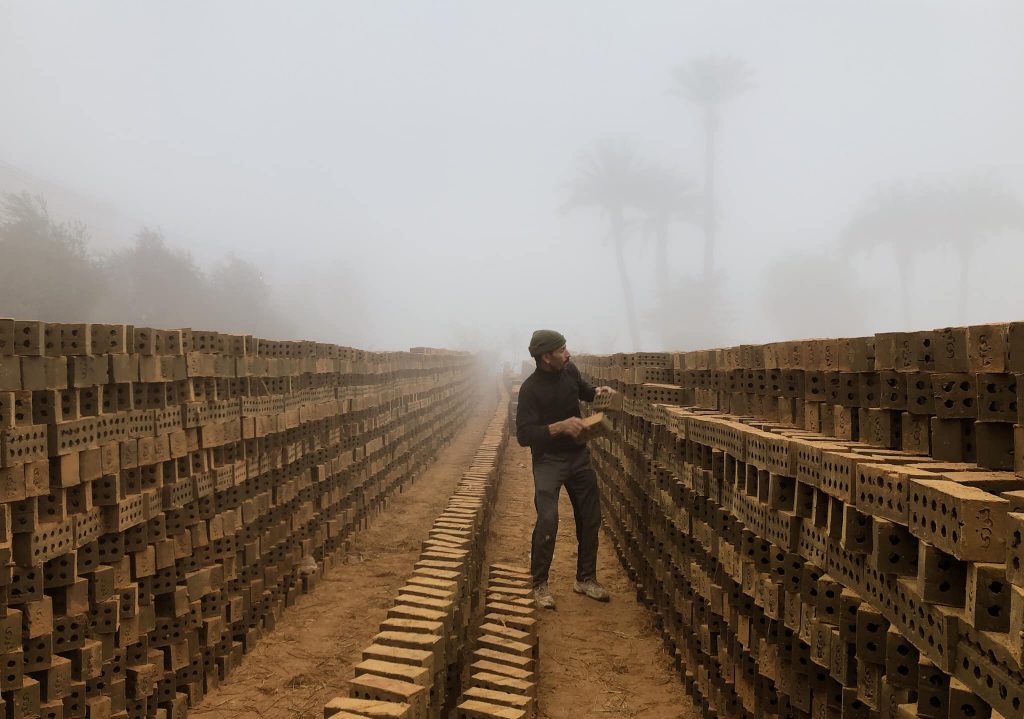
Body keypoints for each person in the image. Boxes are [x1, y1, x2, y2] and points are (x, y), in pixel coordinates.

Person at [515, 329, 615, 609]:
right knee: (548, 519)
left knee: (590, 517)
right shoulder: (530, 390)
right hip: (548, 460)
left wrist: (599, 392)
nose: (568, 354)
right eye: (562, 350)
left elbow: (584, 390)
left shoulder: (569, 371)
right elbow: (523, 435)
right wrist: (559, 427)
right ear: (546, 357)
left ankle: (585, 579)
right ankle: (539, 584)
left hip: (578, 456)